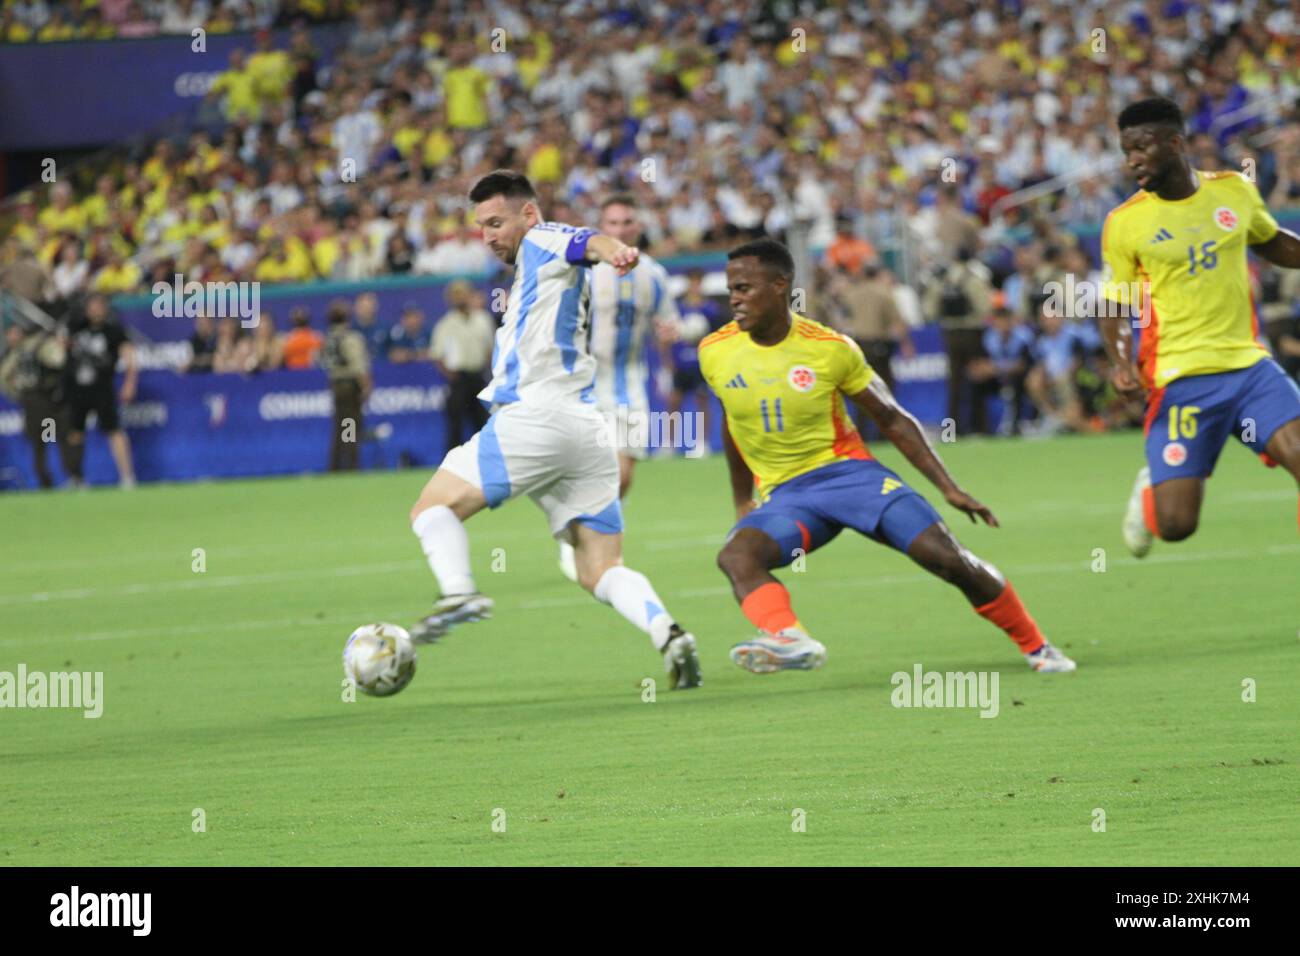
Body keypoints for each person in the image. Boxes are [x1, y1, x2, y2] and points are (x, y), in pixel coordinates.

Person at [702, 239, 1075, 675]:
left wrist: (949, 488)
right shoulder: (715, 351)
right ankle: (790, 638)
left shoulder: (830, 348)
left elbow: (893, 419)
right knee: (736, 557)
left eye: (745, 288)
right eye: (731, 289)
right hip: (787, 496)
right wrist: (741, 499)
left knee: (946, 558)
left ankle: (1037, 645)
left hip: (850, 478)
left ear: (781, 286)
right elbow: (734, 424)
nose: (734, 299)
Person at [405, 170, 701, 689]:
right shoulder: (531, 269)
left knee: (432, 509)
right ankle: (669, 633)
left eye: (496, 222)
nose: (489, 235)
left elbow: (585, 240)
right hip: (585, 432)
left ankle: (459, 592)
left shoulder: (544, 238)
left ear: (528, 213)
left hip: (537, 415)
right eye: (481, 226)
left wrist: (614, 250)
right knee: (599, 568)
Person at [1098, 98, 1300, 556]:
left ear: (1175, 143)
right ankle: (1152, 486)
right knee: (1176, 525)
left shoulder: (1234, 191)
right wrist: (1120, 362)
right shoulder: (1125, 222)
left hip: (1250, 369)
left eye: (1141, 148)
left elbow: (1271, 244)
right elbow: (1114, 302)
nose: (1132, 160)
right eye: (1126, 150)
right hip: (1181, 380)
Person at [557, 193, 679, 581]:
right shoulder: (586, 272)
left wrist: (669, 336)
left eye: (627, 222)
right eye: (612, 223)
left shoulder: (654, 275)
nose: (621, 229)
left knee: (623, 477)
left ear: (637, 227)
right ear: (601, 229)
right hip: (587, 386)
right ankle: (583, 542)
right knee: (600, 468)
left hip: (631, 386)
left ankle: (581, 531)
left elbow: (667, 324)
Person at [62, 293, 137, 489]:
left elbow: (129, 357)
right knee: (75, 432)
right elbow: (61, 348)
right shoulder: (76, 327)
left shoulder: (114, 331)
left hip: (102, 387)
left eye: (100, 305)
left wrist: (130, 383)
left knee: (114, 430)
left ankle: (127, 477)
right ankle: (76, 477)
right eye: (92, 305)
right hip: (77, 389)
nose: (96, 309)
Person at [661, 268, 724, 457]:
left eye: (698, 282)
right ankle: (668, 444)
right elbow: (667, 336)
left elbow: (718, 337)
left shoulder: (711, 309)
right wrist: (667, 361)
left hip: (701, 363)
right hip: (681, 363)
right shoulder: (677, 308)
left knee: (702, 402)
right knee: (673, 402)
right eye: (692, 281)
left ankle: (702, 444)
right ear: (688, 283)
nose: (695, 286)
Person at [0, 321, 68, 488]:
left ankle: (52, 479)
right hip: (37, 403)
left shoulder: (26, 350)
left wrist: (16, 394)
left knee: (44, 441)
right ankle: (51, 480)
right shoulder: (26, 351)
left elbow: (4, 377)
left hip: (38, 402)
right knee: (44, 441)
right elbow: (58, 361)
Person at [429, 279, 494, 455]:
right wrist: (450, 374)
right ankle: (452, 463)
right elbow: (437, 354)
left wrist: (485, 368)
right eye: (455, 294)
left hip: (478, 377)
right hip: (459, 378)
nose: (459, 298)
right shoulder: (445, 324)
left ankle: (486, 459)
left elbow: (490, 348)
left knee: (483, 423)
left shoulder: (482, 319)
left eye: (462, 293)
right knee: (455, 424)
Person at [320, 300, 371, 471]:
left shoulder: (328, 339)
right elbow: (359, 366)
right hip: (349, 387)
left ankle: (335, 464)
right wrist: (366, 386)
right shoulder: (349, 338)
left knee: (339, 427)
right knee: (350, 426)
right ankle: (350, 464)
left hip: (336, 385)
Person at [970, 305, 1034, 436]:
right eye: (999, 321)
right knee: (976, 382)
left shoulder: (1023, 337)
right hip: (997, 377)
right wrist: (983, 370)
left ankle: (1015, 427)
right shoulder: (989, 338)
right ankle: (979, 429)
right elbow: (981, 363)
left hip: (1018, 377)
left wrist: (997, 368)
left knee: (1020, 383)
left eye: (1005, 320)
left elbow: (1024, 365)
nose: (1003, 324)